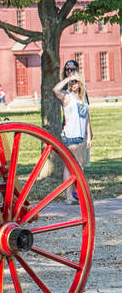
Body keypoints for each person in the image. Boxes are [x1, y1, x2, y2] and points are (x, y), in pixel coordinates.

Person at [53, 60, 92, 206]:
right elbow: (55, 90)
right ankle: (72, 195)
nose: (74, 84)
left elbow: (86, 117)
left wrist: (89, 135)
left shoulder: (82, 97)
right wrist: (69, 78)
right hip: (71, 136)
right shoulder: (67, 96)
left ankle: (72, 195)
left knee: (74, 166)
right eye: (72, 82)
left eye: (76, 82)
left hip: (81, 135)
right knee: (75, 166)